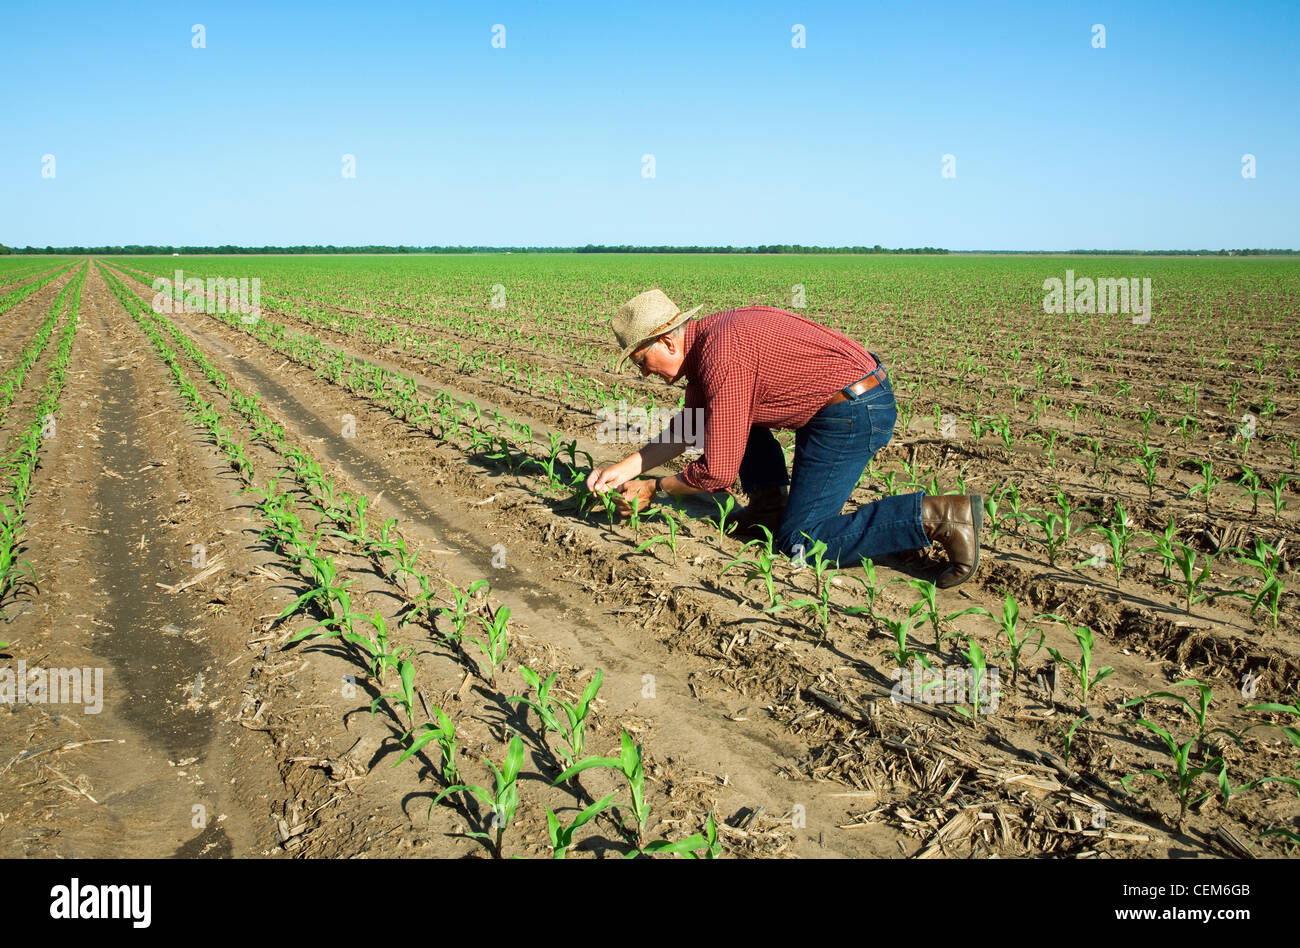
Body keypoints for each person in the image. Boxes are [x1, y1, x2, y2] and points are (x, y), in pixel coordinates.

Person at [585, 288, 982, 588]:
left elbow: (718, 474)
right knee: (724, 419)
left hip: (852, 411)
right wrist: (625, 469)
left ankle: (937, 517)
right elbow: (693, 423)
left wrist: (654, 489)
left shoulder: (721, 357)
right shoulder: (711, 339)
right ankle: (769, 505)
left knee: (803, 544)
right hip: (841, 399)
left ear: (668, 342)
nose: (643, 374)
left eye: (641, 361)